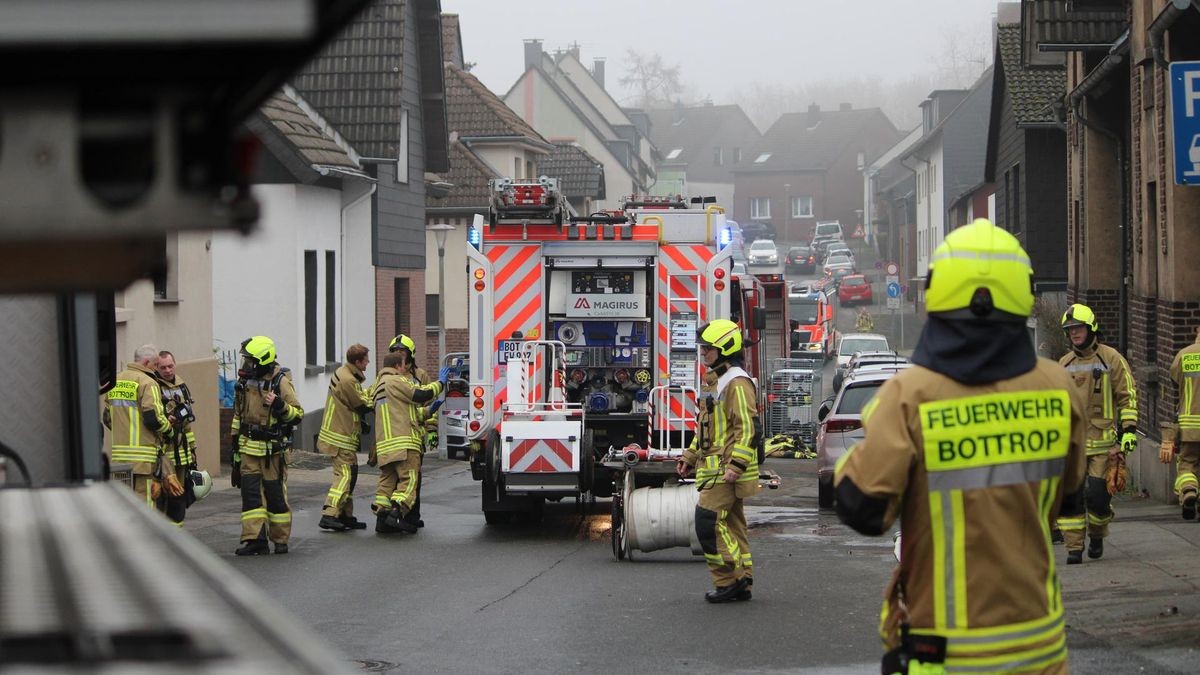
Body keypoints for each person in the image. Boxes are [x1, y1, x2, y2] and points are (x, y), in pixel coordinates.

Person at [834, 219, 1087, 672]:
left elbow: (863, 509)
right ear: (1022, 294)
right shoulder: (1059, 387)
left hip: (948, 655)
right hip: (1041, 649)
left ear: (938, 294)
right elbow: (1068, 498)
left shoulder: (909, 396)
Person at [677, 318, 760, 603]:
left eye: (708, 348)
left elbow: (747, 428)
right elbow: (706, 428)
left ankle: (729, 580)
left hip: (725, 471)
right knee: (733, 525)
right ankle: (743, 580)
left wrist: (736, 466)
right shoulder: (718, 381)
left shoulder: (735, 382)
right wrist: (689, 456)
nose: (703, 353)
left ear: (724, 347)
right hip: (716, 469)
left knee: (707, 522)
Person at [1057, 303, 1137, 564]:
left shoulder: (1110, 359)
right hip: (1073, 446)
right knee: (1072, 499)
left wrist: (1129, 431)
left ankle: (1098, 535)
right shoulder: (1064, 364)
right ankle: (1073, 548)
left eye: (1078, 328)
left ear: (1091, 328)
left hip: (1104, 446)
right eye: (1070, 330)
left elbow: (1127, 395)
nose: (1074, 334)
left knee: (1097, 498)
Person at [230, 336, 303, 556]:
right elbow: (237, 416)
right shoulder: (244, 382)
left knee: (275, 495)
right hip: (248, 448)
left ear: (263, 360)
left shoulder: (280, 381)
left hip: (273, 450)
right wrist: (234, 448)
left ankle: (280, 539)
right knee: (251, 496)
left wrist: (280, 405)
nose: (247, 365)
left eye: (251, 361)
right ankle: (255, 540)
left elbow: (297, 414)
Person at [372, 349, 447, 534]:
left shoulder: (377, 385)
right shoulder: (396, 380)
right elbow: (421, 394)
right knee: (409, 479)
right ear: (398, 366)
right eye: (403, 366)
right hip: (404, 442)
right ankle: (396, 513)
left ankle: (382, 517)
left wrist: (429, 411)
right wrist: (441, 383)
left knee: (387, 482)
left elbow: (405, 413)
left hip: (385, 445)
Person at [104, 344, 180, 509]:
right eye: (154, 366)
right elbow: (153, 419)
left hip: (120, 459)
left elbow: (107, 418)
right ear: (146, 363)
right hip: (143, 460)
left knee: (123, 506)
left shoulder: (116, 381)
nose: (155, 370)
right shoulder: (148, 382)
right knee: (143, 507)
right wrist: (169, 429)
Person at [317, 344, 374, 532]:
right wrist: (380, 392)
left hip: (342, 433)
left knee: (351, 475)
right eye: (365, 360)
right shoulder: (348, 380)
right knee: (344, 476)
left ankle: (345, 515)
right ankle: (330, 513)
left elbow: (349, 404)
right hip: (340, 437)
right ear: (357, 361)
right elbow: (363, 404)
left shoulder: (344, 372)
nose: (368, 363)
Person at [154, 350, 198, 526]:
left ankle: (176, 536)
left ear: (175, 364)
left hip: (182, 453)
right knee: (161, 498)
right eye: (163, 367)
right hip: (164, 454)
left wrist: (193, 451)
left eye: (170, 366)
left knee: (178, 498)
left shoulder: (181, 386)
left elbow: (187, 426)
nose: (167, 370)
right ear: (156, 367)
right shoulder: (154, 386)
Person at [1161, 326, 1200, 519]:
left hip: (1190, 426)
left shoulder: (1184, 355)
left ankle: (1189, 490)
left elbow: (1174, 379)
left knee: (1187, 464)